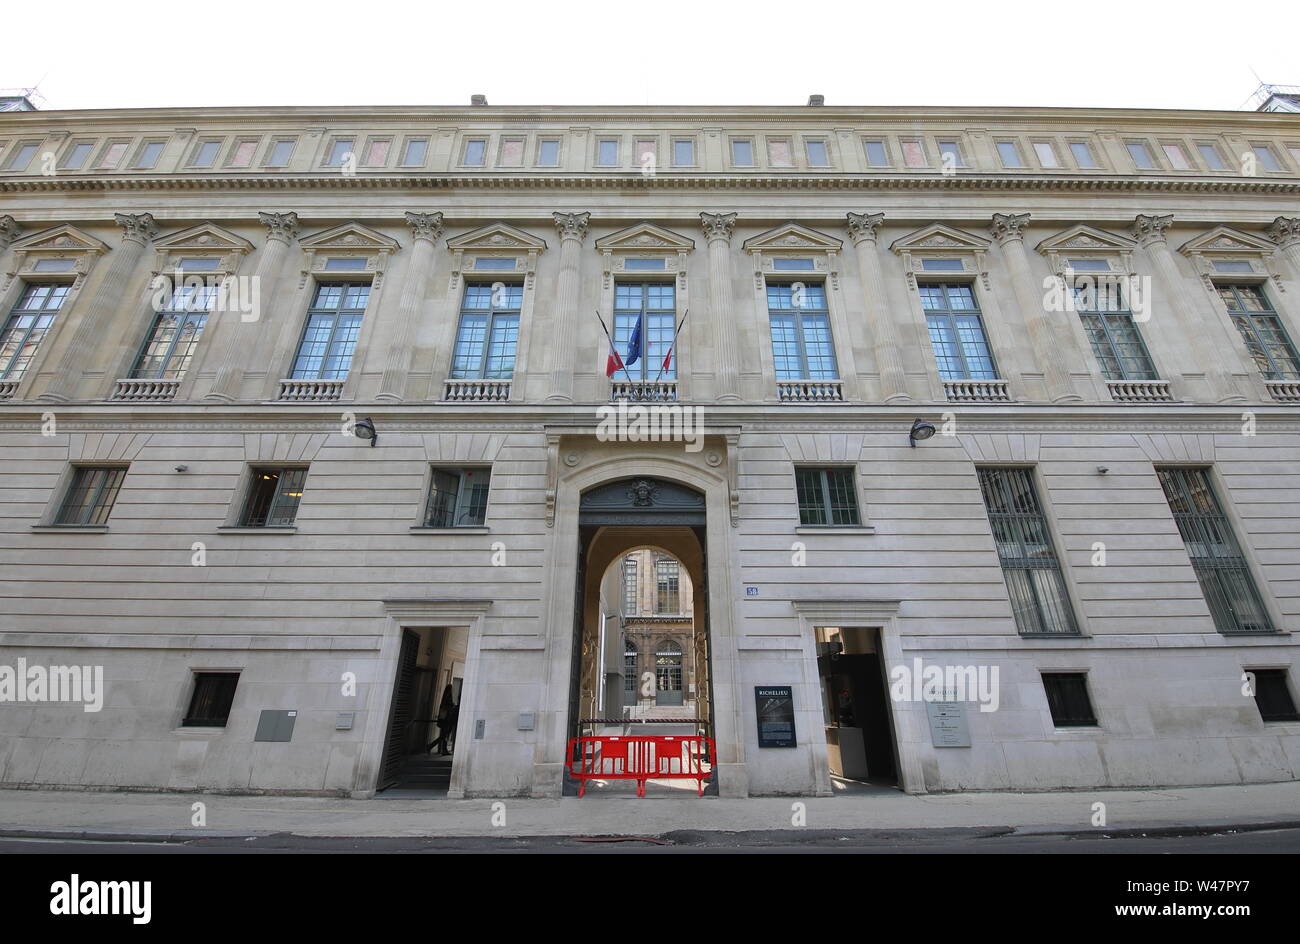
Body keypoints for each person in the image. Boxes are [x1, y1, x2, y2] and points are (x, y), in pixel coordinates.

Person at [428, 685, 458, 755]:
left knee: (444, 736)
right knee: (444, 736)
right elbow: (448, 707)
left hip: (445, 720)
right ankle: (431, 746)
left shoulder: (445, 698)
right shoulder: (448, 698)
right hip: (447, 720)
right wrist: (453, 706)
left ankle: (444, 750)